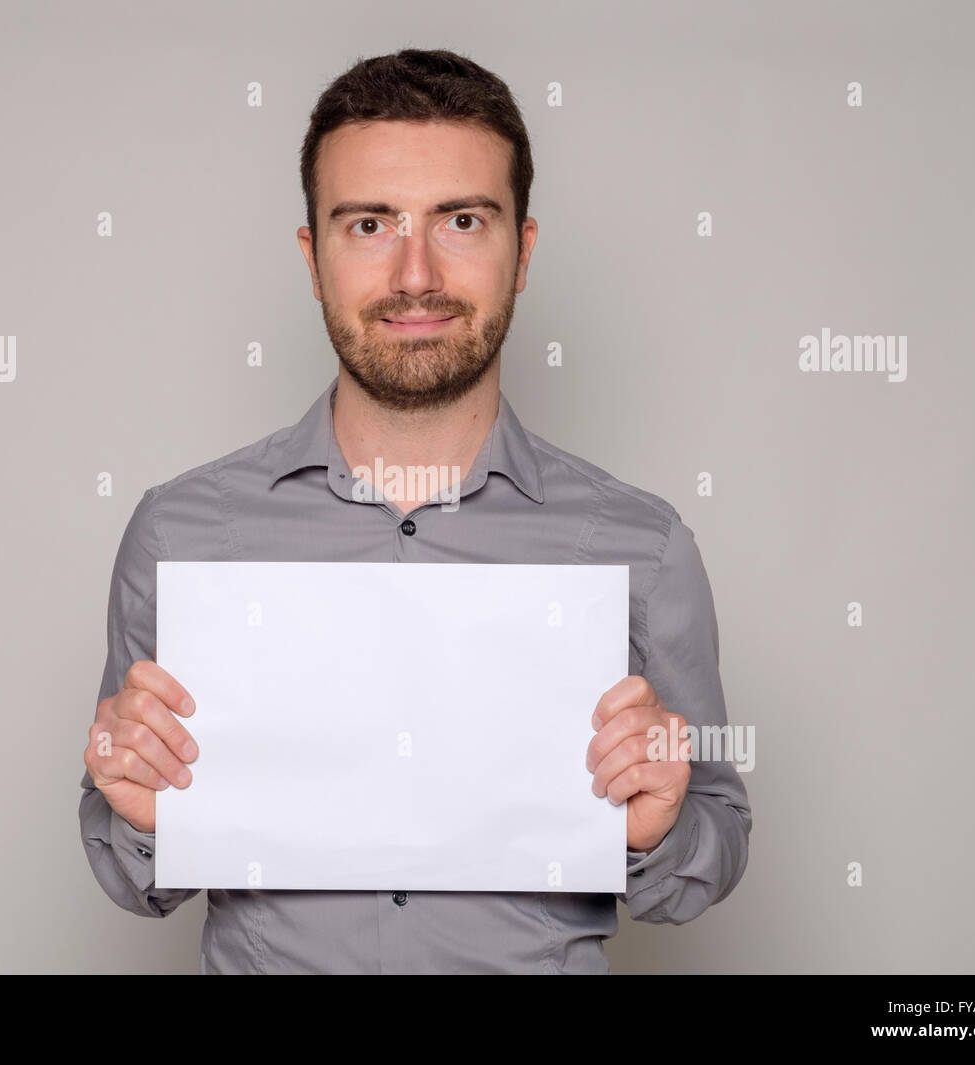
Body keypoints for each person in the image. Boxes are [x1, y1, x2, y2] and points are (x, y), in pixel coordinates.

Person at [79, 48, 751, 974]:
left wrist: (657, 828)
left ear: (523, 251)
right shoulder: (181, 533)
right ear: (314, 257)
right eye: (369, 223)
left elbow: (712, 839)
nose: (415, 273)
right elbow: (130, 874)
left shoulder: (644, 546)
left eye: (462, 219)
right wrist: (143, 810)